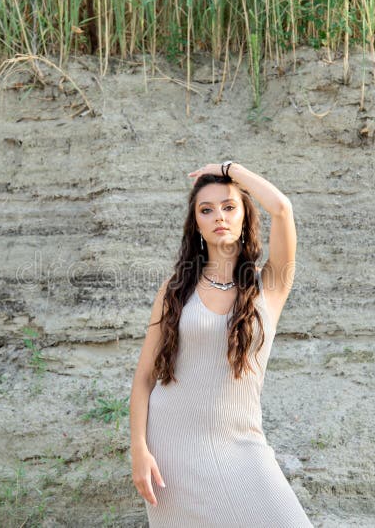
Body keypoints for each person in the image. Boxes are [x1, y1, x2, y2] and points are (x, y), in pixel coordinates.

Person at [129, 161, 314, 527]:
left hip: (243, 444)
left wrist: (233, 170)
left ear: (245, 216)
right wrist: (138, 449)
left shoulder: (270, 285)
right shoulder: (176, 288)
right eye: (206, 209)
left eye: (230, 207)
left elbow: (282, 208)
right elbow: (145, 378)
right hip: (172, 449)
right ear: (195, 223)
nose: (219, 216)